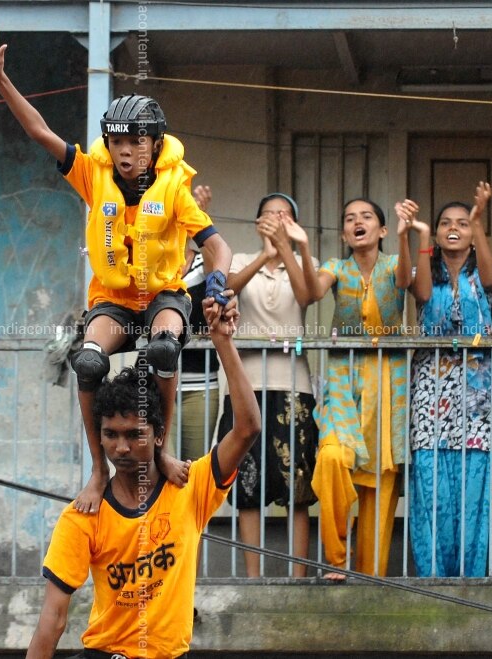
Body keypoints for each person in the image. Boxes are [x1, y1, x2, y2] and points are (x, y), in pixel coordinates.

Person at [0, 26, 233, 515]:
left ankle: (162, 451)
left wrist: (218, 280)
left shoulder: (175, 189)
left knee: (163, 348)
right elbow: (40, 132)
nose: (125, 151)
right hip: (113, 301)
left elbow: (218, 247)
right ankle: (97, 469)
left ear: (155, 144)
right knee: (89, 363)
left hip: (162, 297)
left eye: (136, 141)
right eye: (116, 142)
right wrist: (0, 79)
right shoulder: (93, 175)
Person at [28, 296, 260, 658]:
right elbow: (53, 619)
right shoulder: (83, 514)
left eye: (134, 435)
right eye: (110, 435)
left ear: (158, 435)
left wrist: (223, 341)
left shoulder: (190, 486)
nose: (121, 448)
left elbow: (247, 429)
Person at [301, 197, 419, 579]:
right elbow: (313, 293)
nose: (358, 222)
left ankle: (371, 580)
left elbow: (405, 282)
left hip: (389, 385)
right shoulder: (336, 267)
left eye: (366, 216)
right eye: (350, 218)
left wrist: (405, 235)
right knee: (332, 457)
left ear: (381, 230)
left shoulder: (394, 262)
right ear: (344, 234)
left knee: (379, 489)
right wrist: (301, 246)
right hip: (343, 379)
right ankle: (336, 557)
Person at [219, 192, 319, 578]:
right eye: (269, 214)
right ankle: (252, 579)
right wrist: (265, 254)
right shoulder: (241, 259)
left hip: (293, 384)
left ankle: (298, 579)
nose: (276, 219)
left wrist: (289, 249)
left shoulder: (306, 261)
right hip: (245, 385)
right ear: (257, 222)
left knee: (297, 485)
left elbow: (307, 295)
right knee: (246, 483)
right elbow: (227, 288)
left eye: (284, 215)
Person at [407, 183, 492, 578]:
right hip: (431, 389)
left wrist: (478, 220)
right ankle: (433, 580)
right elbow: (422, 295)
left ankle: (471, 581)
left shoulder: (485, 273)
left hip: (478, 390)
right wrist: (422, 240)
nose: (453, 228)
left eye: (462, 223)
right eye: (446, 223)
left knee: (474, 485)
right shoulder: (423, 272)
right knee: (431, 482)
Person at [172, 185, 220, 462]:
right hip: (153, 379)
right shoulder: (149, 261)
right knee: (153, 468)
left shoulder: (203, 259)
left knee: (193, 469)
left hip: (200, 383)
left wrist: (201, 221)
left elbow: (216, 277)